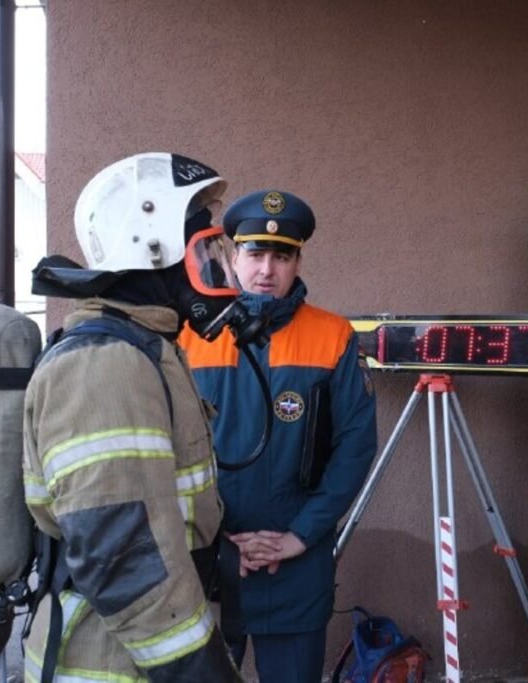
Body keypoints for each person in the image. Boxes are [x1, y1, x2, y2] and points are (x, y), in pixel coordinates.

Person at [22, 152, 245, 682]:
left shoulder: (146, 349)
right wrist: (204, 673)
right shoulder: (106, 364)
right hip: (111, 663)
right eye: (202, 249)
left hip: (140, 654)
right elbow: (125, 557)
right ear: (153, 248)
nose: (215, 269)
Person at [178, 189, 378, 682]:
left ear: (297, 260)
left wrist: (299, 535)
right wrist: (223, 539)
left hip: (296, 562)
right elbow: (168, 450)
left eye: (282, 255)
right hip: (208, 557)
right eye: (255, 253)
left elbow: (354, 447)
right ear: (233, 255)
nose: (267, 268)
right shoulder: (189, 334)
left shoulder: (332, 335)